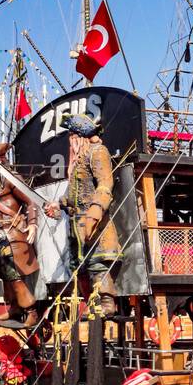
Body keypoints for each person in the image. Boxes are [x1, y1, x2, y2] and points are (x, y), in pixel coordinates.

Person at [44, 114, 121, 316]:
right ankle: (92, 302)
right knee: (82, 267)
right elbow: (72, 194)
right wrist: (58, 204)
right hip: (76, 223)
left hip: (94, 221)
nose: (70, 141)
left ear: (80, 135)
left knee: (97, 262)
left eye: (72, 136)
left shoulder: (97, 152)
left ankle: (107, 301)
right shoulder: (78, 161)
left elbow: (105, 183)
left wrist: (95, 212)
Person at [0, 142, 41, 330]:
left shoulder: (12, 179)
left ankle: (31, 312)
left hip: (11, 233)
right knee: (3, 275)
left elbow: (31, 201)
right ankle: (14, 308)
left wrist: (33, 224)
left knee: (14, 275)